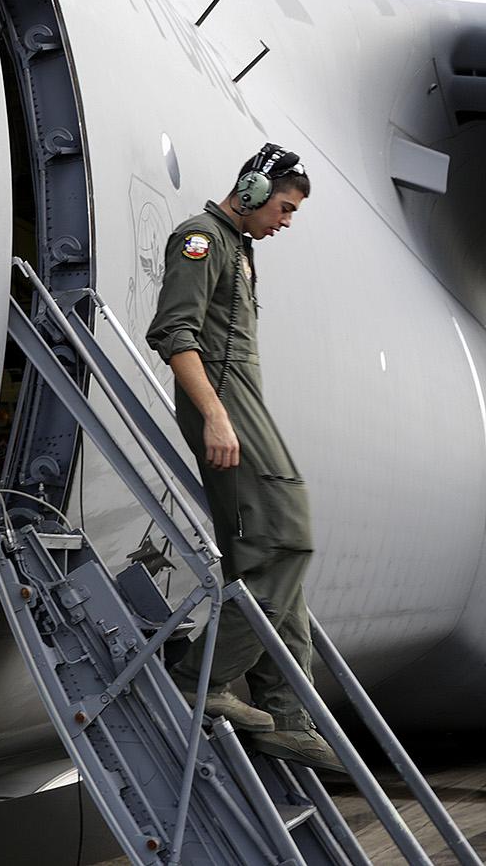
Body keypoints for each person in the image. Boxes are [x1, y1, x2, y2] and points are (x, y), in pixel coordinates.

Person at [146, 143, 341, 773]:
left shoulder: (239, 248)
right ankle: (202, 676)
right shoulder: (201, 238)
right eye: (283, 207)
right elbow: (175, 334)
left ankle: (286, 715)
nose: (284, 220)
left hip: (242, 400)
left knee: (269, 563)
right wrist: (217, 417)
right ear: (254, 191)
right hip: (224, 401)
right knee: (288, 539)